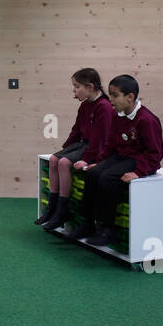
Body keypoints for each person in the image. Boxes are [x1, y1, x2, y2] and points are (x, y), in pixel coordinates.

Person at [68, 74, 163, 248]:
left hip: (140, 161)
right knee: (93, 173)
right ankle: (87, 223)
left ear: (130, 97)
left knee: (107, 178)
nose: (110, 99)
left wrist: (138, 172)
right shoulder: (117, 115)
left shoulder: (147, 120)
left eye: (114, 95)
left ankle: (107, 230)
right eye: (110, 94)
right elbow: (111, 143)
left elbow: (155, 154)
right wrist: (100, 161)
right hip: (122, 157)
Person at [38, 68, 114, 229]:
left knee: (64, 163)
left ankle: (63, 209)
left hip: (96, 147)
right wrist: (66, 148)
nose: (74, 90)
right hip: (83, 144)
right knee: (53, 159)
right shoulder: (85, 105)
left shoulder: (104, 107)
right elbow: (76, 130)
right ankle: (53, 206)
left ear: (90, 87)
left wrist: (86, 159)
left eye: (77, 86)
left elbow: (101, 139)